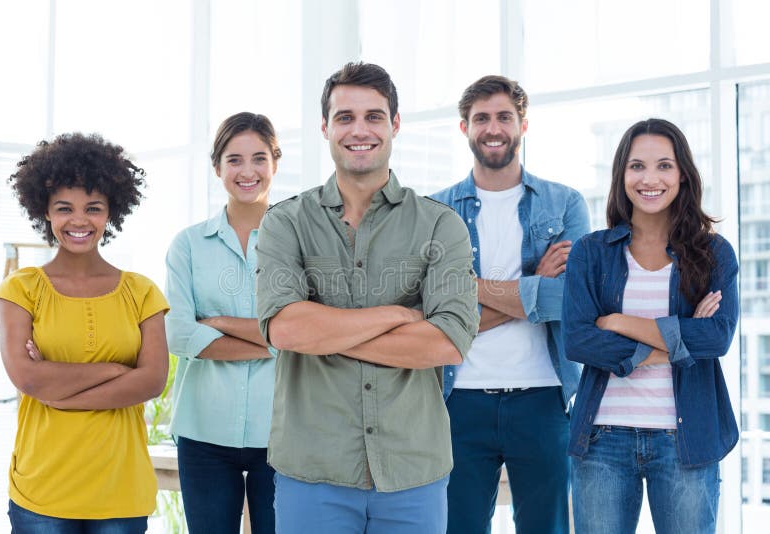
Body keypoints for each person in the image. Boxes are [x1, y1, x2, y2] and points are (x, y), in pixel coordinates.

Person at [255, 62, 479, 534]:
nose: (360, 130)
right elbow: (286, 329)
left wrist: (325, 330)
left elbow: (447, 342)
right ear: (325, 127)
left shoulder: (441, 225)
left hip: (412, 471)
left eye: (374, 116)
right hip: (312, 470)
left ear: (395, 124)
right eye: (345, 117)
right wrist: (398, 315)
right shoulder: (285, 223)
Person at [431, 75, 590, 534]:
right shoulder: (435, 211)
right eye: (481, 118)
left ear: (522, 124)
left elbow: (569, 301)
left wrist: (467, 284)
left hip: (543, 398)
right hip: (457, 401)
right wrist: (534, 282)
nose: (493, 127)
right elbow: (433, 311)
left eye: (504, 116)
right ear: (464, 127)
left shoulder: (564, 204)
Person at [563, 118, 739, 534]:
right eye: (637, 166)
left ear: (682, 175)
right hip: (602, 438)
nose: (650, 179)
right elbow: (579, 340)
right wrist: (675, 342)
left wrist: (620, 322)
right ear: (622, 174)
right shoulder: (592, 252)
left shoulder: (713, 253)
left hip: (686, 440)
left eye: (664, 165)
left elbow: (716, 337)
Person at [0, 133, 169, 533]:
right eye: (64, 208)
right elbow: (28, 378)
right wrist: (116, 370)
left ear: (111, 213)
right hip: (43, 488)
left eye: (93, 208)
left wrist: (62, 394)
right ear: (45, 212)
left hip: (120, 488)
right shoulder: (20, 290)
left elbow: (153, 380)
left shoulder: (141, 291)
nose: (79, 220)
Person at [164, 112, 279, 534]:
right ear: (217, 167)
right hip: (203, 429)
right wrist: (276, 342)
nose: (247, 171)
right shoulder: (189, 244)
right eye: (234, 160)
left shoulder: (302, 244)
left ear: (274, 163)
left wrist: (217, 323)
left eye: (258, 158)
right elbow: (179, 333)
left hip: (282, 431)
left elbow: (314, 333)